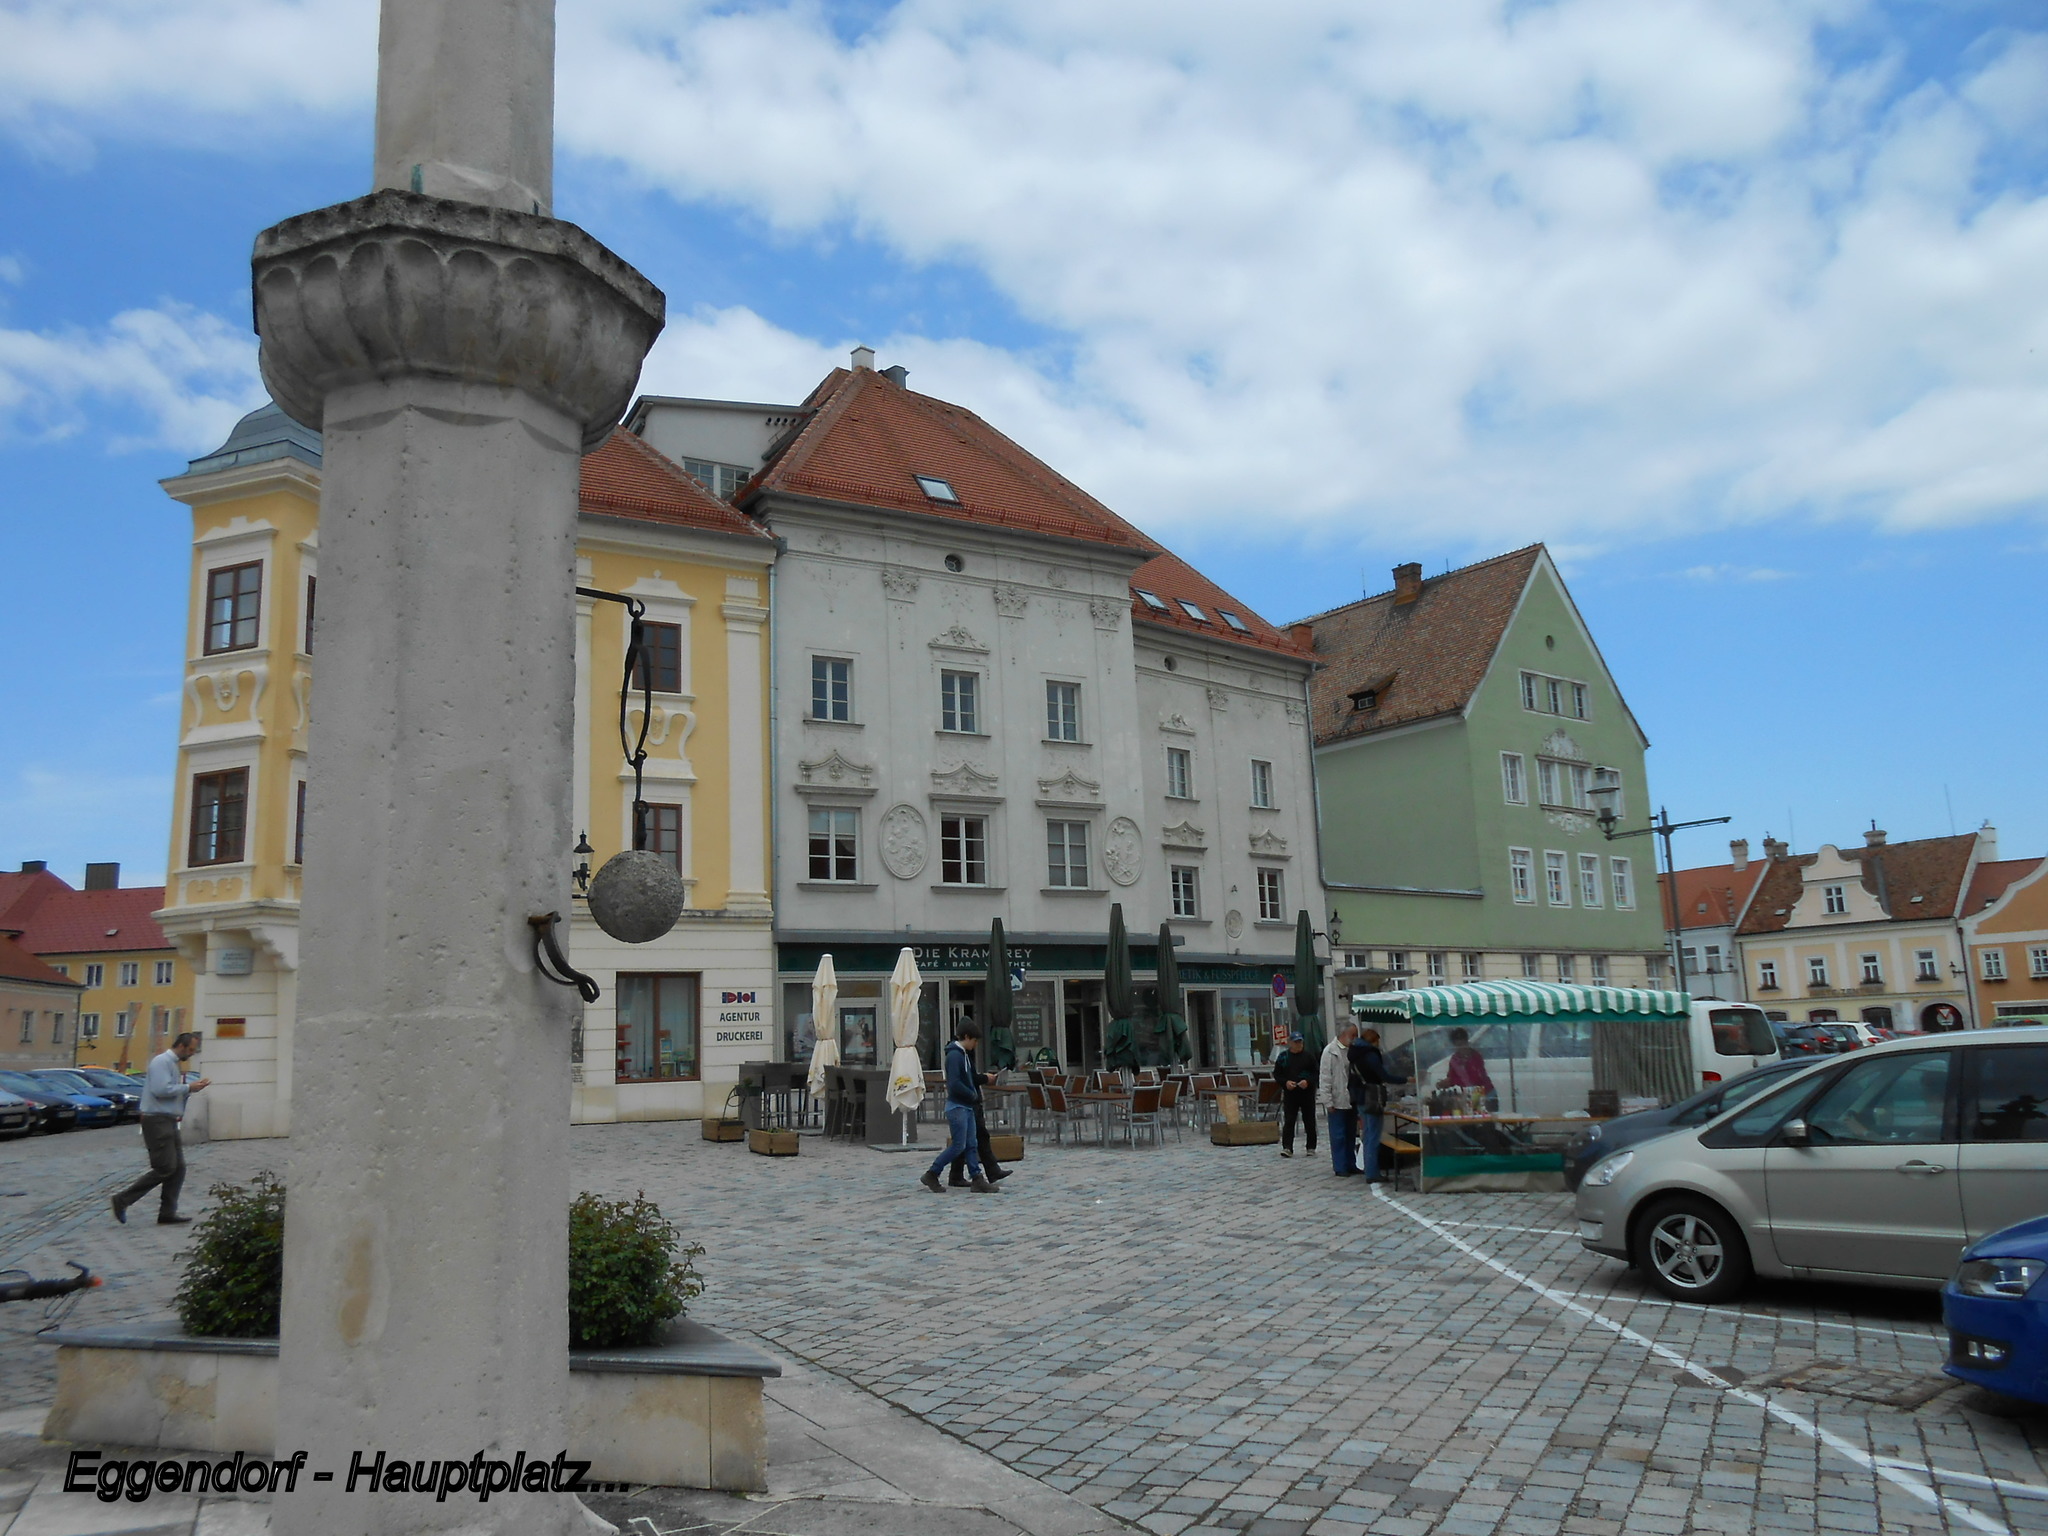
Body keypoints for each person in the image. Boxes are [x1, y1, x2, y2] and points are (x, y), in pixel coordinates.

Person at [111, 1032, 211, 1225]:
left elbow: (169, 1092)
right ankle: (122, 1199)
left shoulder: (171, 1064)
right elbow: (161, 1090)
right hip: (156, 1120)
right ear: (181, 1046)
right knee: (165, 1168)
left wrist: (191, 1089)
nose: (191, 1054)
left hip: (168, 1119)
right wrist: (188, 1088)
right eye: (190, 1050)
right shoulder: (161, 1062)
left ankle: (167, 1212)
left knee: (178, 1169)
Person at [922, 1022, 996, 1194]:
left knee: (971, 1144)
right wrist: (972, 1095)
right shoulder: (955, 1056)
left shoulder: (962, 1055)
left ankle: (977, 1178)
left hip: (966, 1106)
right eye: (975, 1040)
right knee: (958, 1145)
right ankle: (932, 1172)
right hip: (958, 1106)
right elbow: (954, 1084)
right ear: (967, 1037)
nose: (975, 1044)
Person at [1348, 1027, 1408, 1184]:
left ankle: (1369, 1169)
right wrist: (1406, 1080)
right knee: (1374, 1135)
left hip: (1360, 1097)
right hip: (1372, 1097)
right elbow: (1384, 1076)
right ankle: (1372, 1173)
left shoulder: (1354, 1054)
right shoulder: (1370, 1055)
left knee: (1367, 1134)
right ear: (1373, 1041)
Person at [1317, 1022, 1359, 1177]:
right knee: (1338, 1135)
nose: (1355, 1038)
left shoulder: (1353, 1051)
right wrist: (1327, 1101)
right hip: (1337, 1099)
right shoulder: (1330, 1052)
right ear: (1344, 1034)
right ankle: (1340, 1166)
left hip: (1351, 1098)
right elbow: (1325, 1078)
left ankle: (1351, 1163)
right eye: (1353, 1035)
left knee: (1350, 1134)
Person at [1272, 1032, 1316, 1158]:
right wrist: (1285, 1083)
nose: (1299, 1045)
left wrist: (1307, 1082)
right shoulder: (1283, 1057)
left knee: (1309, 1120)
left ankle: (1311, 1146)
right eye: (1296, 1042)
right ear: (1290, 1043)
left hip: (1306, 1093)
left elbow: (1316, 1073)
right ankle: (1287, 1147)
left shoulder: (1309, 1057)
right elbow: (1277, 1074)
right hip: (1291, 1093)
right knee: (1290, 1120)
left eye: (1300, 1042)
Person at [1439, 1027, 1496, 1107]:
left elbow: (1478, 1077)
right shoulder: (1454, 1060)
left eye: (1463, 1044)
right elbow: (1451, 1078)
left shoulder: (1475, 1056)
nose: (1461, 1048)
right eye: (1458, 1045)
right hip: (1471, 1098)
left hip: (1487, 1095)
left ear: (1467, 1042)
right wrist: (1444, 1083)